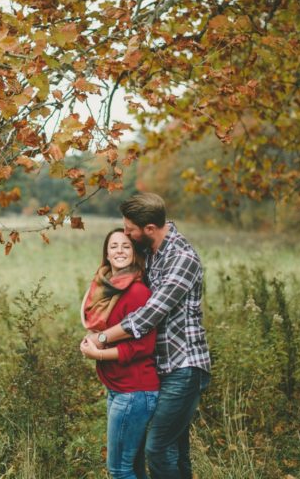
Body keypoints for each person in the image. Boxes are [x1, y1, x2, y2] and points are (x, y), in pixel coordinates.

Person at [85, 193, 211, 479]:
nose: (126, 233)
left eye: (130, 229)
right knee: (174, 448)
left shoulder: (182, 258)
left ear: (150, 229)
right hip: (160, 366)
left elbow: (149, 314)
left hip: (184, 365)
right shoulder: (153, 252)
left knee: (158, 448)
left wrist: (102, 339)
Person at [79, 228, 160, 479]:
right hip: (121, 389)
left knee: (119, 470)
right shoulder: (105, 287)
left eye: (126, 246)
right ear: (106, 252)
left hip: (134, 391)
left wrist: (99, 354)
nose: (120, 251)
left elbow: (143, 347)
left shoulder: (137, 292)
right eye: (114, 246)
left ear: (135, 253)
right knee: (133, 468)